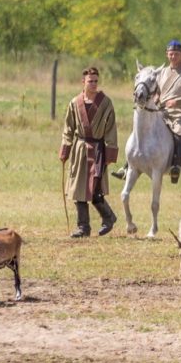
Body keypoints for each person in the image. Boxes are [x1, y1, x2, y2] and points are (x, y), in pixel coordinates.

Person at [112, 39, 181, 184]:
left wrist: (177, 102)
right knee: (141, 129)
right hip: (161, 110)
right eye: (171, 54)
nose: (173, 57)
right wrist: (155, 99)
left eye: (176, 54)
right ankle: (127, 166)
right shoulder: (163, 72)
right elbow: (157, 91)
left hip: (179, 112)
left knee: (178, 131)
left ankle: (175, 167)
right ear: (167, 54)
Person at [59, 67, 119, 237]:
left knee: (94, 188)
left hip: (98, 149)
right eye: (90, 81)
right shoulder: (74, 103)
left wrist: (110, 154)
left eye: (95, 81)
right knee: (79, 188)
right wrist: (65, 150)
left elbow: (111, 129)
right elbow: (68, 128)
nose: (93, 84)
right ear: (83, 82)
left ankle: (109, 217)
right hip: (80, 148)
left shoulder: (106, 103)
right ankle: (83, 227)